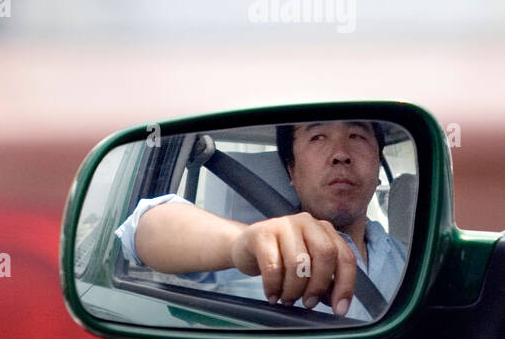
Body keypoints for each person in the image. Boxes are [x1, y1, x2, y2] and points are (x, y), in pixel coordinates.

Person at [115, 120, 408, 320]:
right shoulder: (246, 262)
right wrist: (241, 243)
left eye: (357, 136)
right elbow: (139, 229)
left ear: (376, 163)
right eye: (317, 137)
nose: (341, 154)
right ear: (291, 171)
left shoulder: (409, 259)